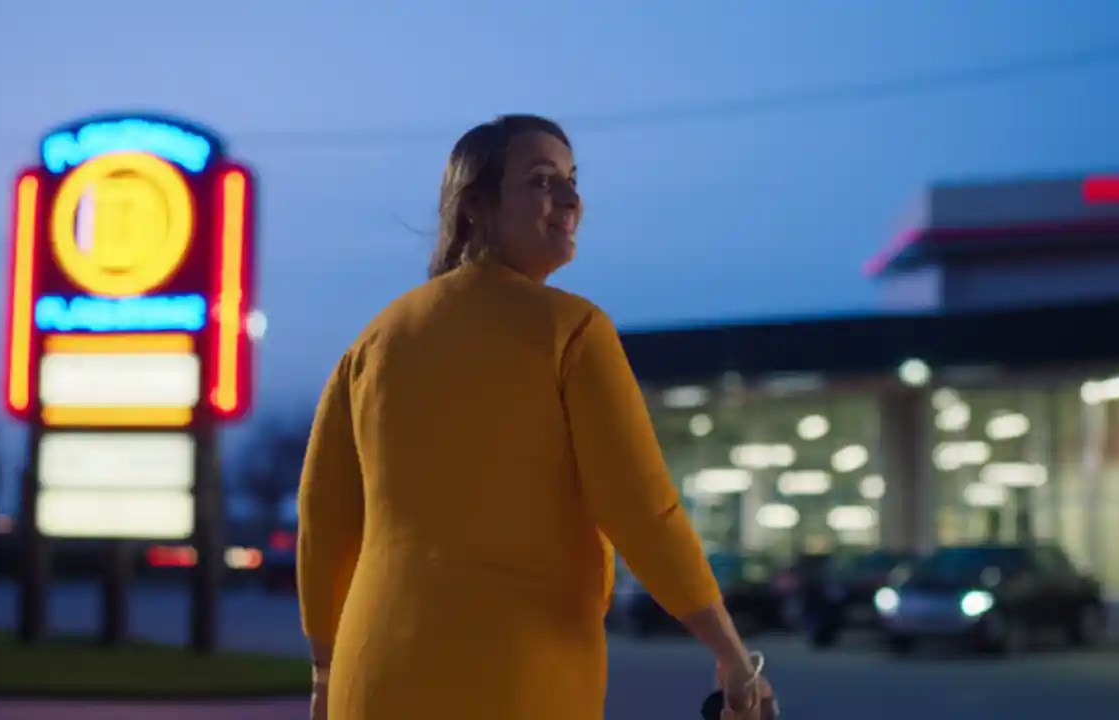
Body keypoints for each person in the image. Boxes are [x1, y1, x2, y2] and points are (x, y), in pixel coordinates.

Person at [297, 113, 775, 719]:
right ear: (474, 205)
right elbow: (640, 506)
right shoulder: (571, 331)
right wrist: (730, 651)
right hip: (514, 671)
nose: (572, 199)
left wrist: (324, 675)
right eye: (543, 180)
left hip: (370, 678)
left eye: (574, 180)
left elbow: (324, 523)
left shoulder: (371, 345)